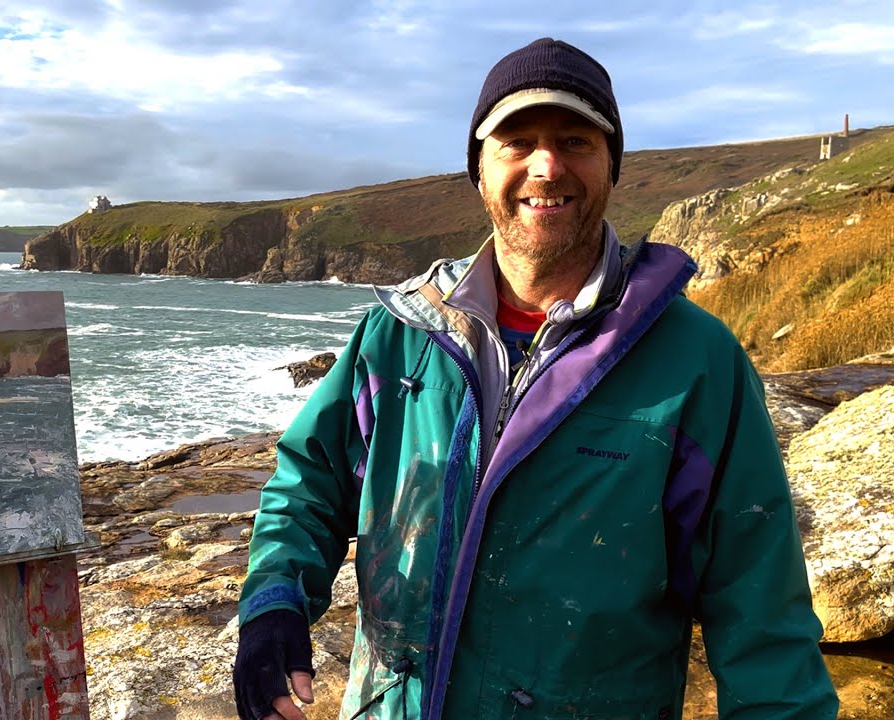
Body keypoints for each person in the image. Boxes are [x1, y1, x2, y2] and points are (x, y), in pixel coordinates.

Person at [232, 37, 838, 720]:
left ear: (612, 165)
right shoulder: (400, 334)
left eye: (576, 140)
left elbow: (762, 615)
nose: (546, 167)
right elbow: (308, 483)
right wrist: (273, 601)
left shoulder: (697, 361)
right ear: (480, 171)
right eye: (516, 142)